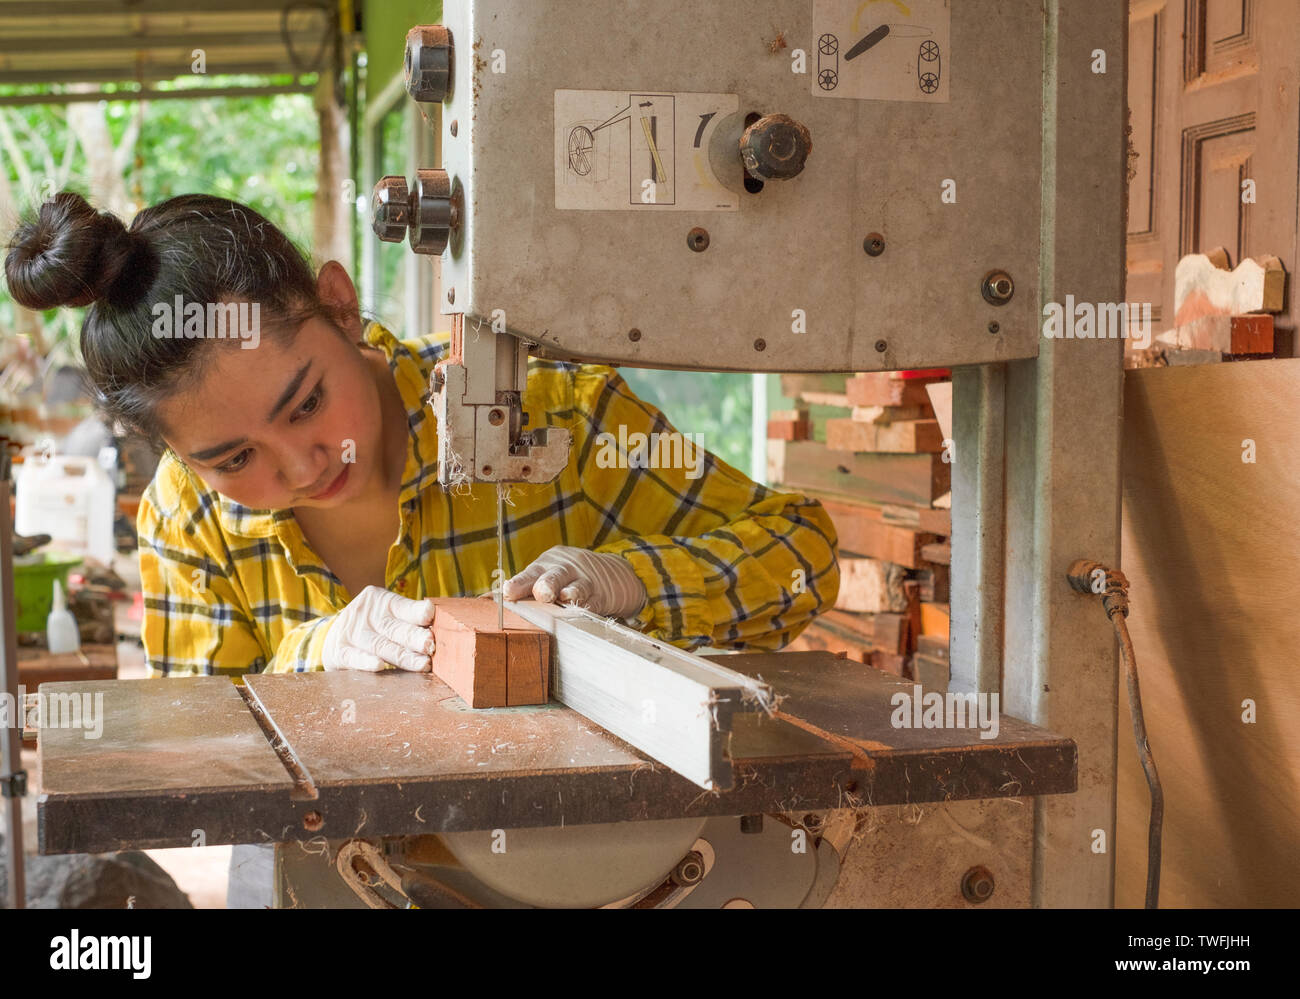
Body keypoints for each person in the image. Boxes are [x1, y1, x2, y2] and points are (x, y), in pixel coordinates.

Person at [5, 191, 839, 675]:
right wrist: (313, 657)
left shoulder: (555, 416)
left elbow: (804, 551)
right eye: (234, 459)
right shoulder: (187, 517)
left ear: (338, 302)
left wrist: (632, 582)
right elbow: (196, 751)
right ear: (179, 457)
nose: (302, 465)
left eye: (304, 404)